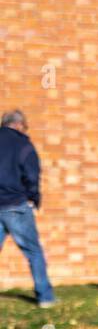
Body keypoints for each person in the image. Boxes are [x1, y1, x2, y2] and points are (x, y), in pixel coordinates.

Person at [0, 110, 56, 307]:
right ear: (18, 125)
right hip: (16, 205)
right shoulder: (23, 144)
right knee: (33, 251)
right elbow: (32, 175)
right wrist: (34, 198)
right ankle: (45, 297)